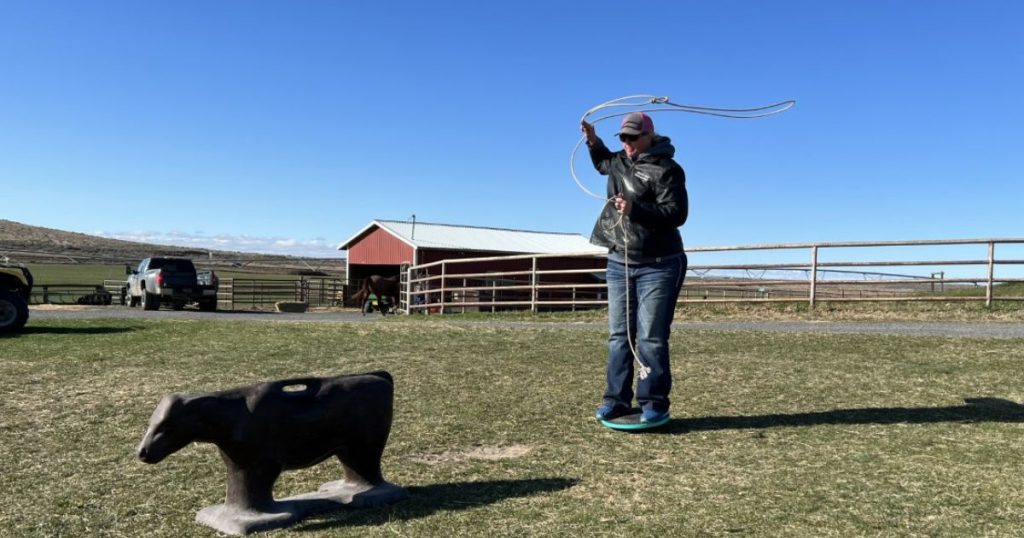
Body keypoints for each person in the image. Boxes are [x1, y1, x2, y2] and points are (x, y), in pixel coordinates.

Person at [581, 111, 688, 425]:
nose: (627, 143)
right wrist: (592, 140)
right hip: (619, 261)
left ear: (649, 137)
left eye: (633, 137)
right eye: (623, 137)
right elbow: (602, 162)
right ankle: (615, 401)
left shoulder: (668, 170)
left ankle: (653, 403)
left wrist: (635, 209)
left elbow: (677, 213)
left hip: (660, 264)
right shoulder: (618, 161)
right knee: (618, 336)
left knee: (651, 338)